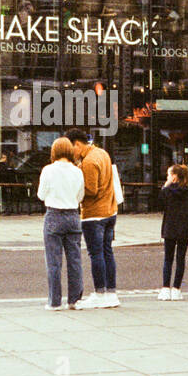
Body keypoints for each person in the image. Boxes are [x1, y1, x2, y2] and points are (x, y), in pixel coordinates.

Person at [66, 129, 119, 309]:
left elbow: (90, 190)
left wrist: (74, 192)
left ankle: (99, 293)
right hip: (110, 211)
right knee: (107, 252)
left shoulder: (88, 162)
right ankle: (111, 293)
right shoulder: (102, 153)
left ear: (77, 145)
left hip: (94, 214)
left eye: (70, 149)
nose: (71, 154)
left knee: (95, 254)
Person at [37, 137, 85, 311]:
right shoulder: (77, 171)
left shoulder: (48, 170)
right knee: (75, 260)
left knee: (54, 261)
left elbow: (41, 195)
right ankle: (75, 300)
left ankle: (55, 301)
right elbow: (80, 196)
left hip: (54, 214)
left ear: (54, 151)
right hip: (73, 215)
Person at [157, 164, 188, 301]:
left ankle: (165, 289)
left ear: (174, 177)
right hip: (184, 229)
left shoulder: (166, 192)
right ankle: (176, 289)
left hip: (170, 228)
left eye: (169, 175)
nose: (167, 177)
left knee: (168, 259)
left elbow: (160, 204)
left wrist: (165, 186)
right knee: (181, 259)